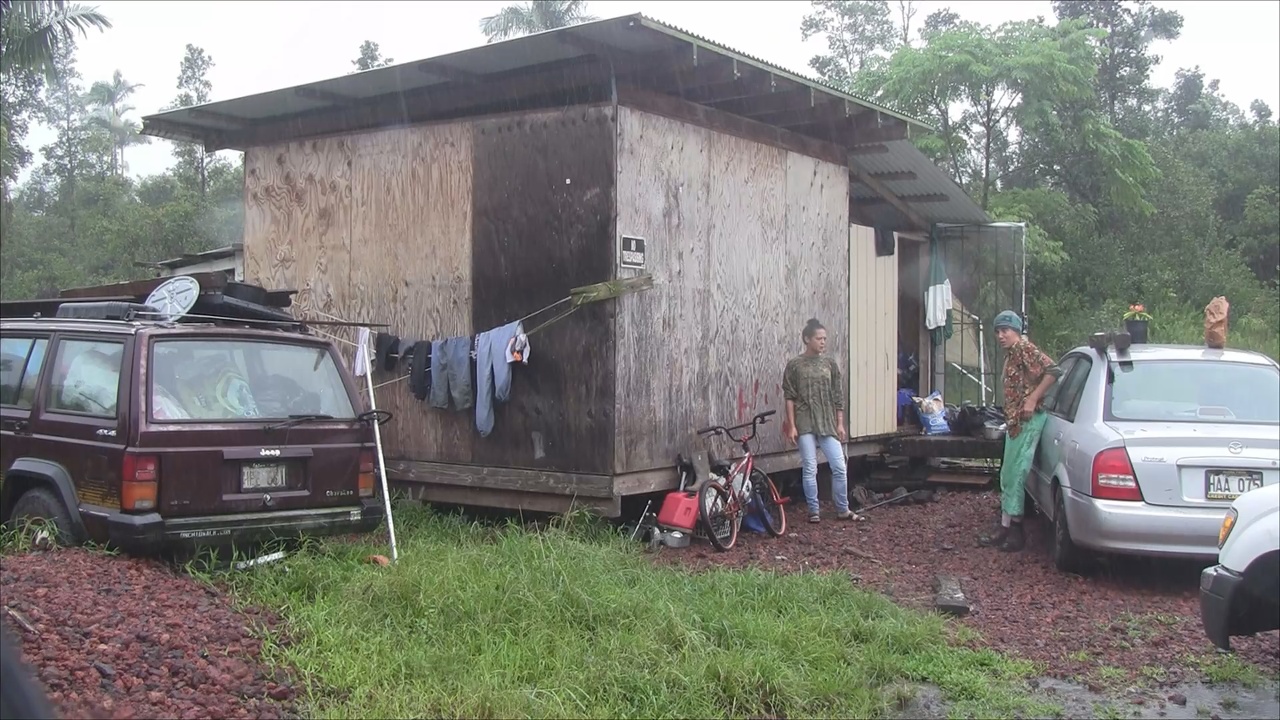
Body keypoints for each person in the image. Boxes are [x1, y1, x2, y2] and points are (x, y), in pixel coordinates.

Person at [979, 310, 1062, 552]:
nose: (1001, 335)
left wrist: (1032, 399)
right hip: (1015, 422)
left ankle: (1016, 532)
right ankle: (1005, 526)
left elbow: (1054, 371)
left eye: (1006, 330)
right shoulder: (1011, 354)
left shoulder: (1025, 349)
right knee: (1007, 473)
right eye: (998, 331)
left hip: (1029, 419)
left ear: (1016, 331)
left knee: (1016, 473)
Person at [783, 318, 856, 524]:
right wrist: (791, 425)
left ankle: (843, 509)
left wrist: (840, 423)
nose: (823, 342)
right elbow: (789, 397)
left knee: (839, 466)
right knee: (809, 467)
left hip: (826, 422)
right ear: (807, 339)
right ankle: (814, 511)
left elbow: (837, 395)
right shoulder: (795, 365)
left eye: (825, 338)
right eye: (819, 338)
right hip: (805, 421)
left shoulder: (829, 364)